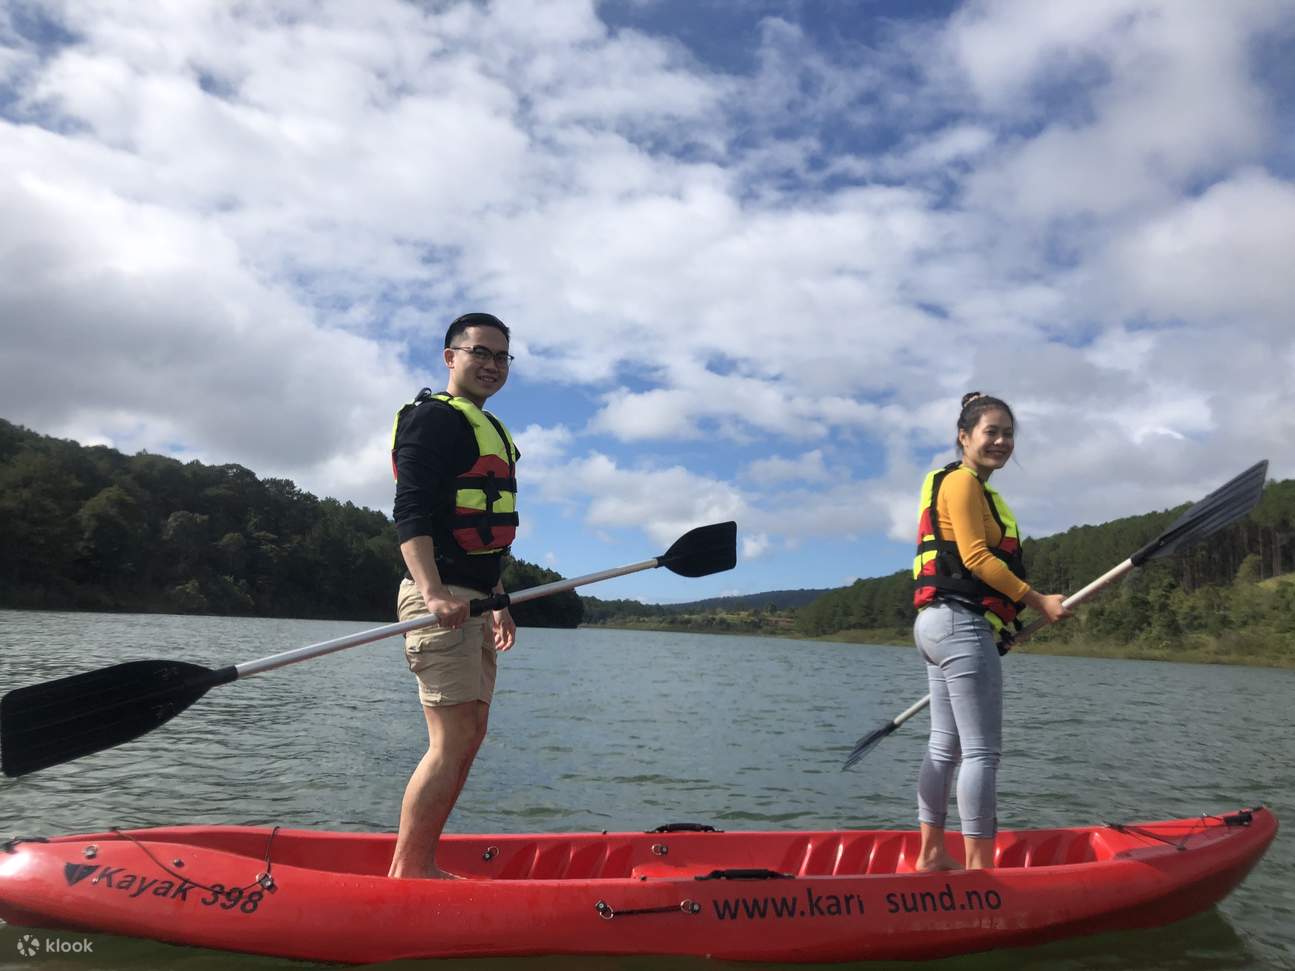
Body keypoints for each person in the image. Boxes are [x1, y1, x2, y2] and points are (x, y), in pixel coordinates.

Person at [910, 392, 1071, 871]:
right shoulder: (961, 484)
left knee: (946, 745)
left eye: (1008, 434)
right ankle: (980, 870)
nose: (1002, 441)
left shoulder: (964, 483)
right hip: (957, 624)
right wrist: (1038, 600)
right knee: (981, 752)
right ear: (964, 437)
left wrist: (1005, 624)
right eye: (991, 432)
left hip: (941, 624)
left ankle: (933, 855)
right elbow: (977, 558)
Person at [388, 312, 520, 879]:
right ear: (450, 357)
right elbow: (410, 512)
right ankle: (409, 871)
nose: (491, 364)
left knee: (470, 734)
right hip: (437, 597)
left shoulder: (488, 428)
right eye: (479, 352)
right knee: (450, 740)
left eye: (500, 357)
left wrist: (499, 597)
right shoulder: (433, 421)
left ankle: (422, 862)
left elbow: (480, 531)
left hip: (475, 598)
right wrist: (432, 590)